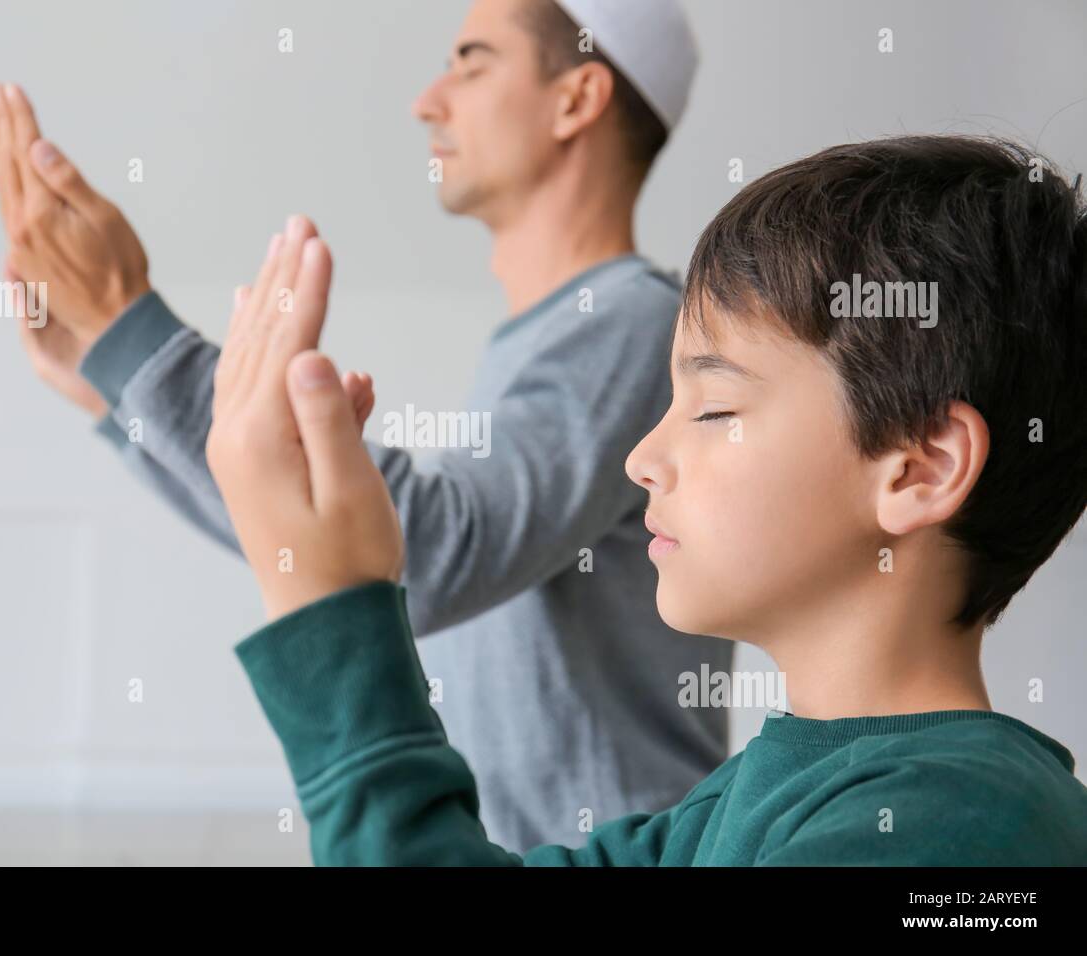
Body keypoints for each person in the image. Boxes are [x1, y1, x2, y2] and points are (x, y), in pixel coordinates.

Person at [207, 135, 1087, 864]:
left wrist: (331, 604)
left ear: (920, 467)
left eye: (712, 407)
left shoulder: (963, 830)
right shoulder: (717, 814)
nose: (642, 459)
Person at [0, 0, 730, 850]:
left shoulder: (631, 319)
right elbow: (325, 545)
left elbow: (434, 555)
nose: (427, 100)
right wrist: (120, 399)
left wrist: (135, 338)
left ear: (576, 98)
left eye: (472, 61)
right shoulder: (555, 340)